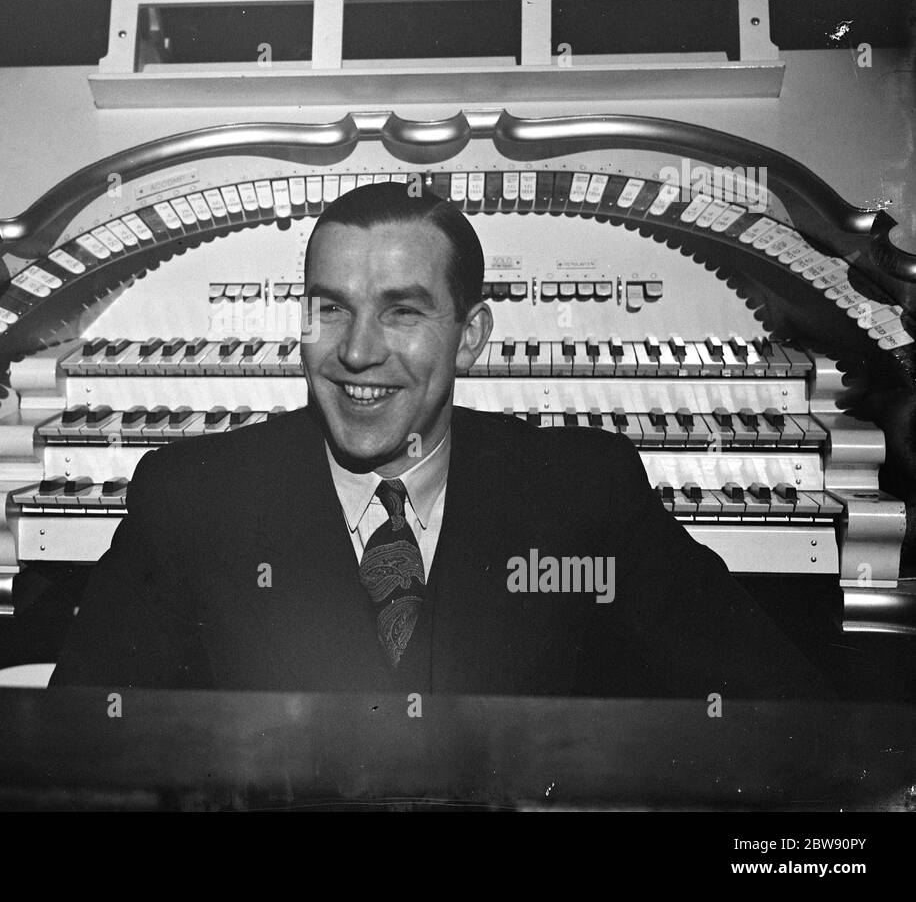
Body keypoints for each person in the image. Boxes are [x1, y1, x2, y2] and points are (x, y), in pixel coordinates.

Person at [51, 181, 830, 698]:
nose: (356, 351)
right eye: (330, 308)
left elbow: (777, 706)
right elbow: (76, 753)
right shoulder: (188, 501)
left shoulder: (584, 493)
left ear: (469, 337)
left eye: (403, 311)